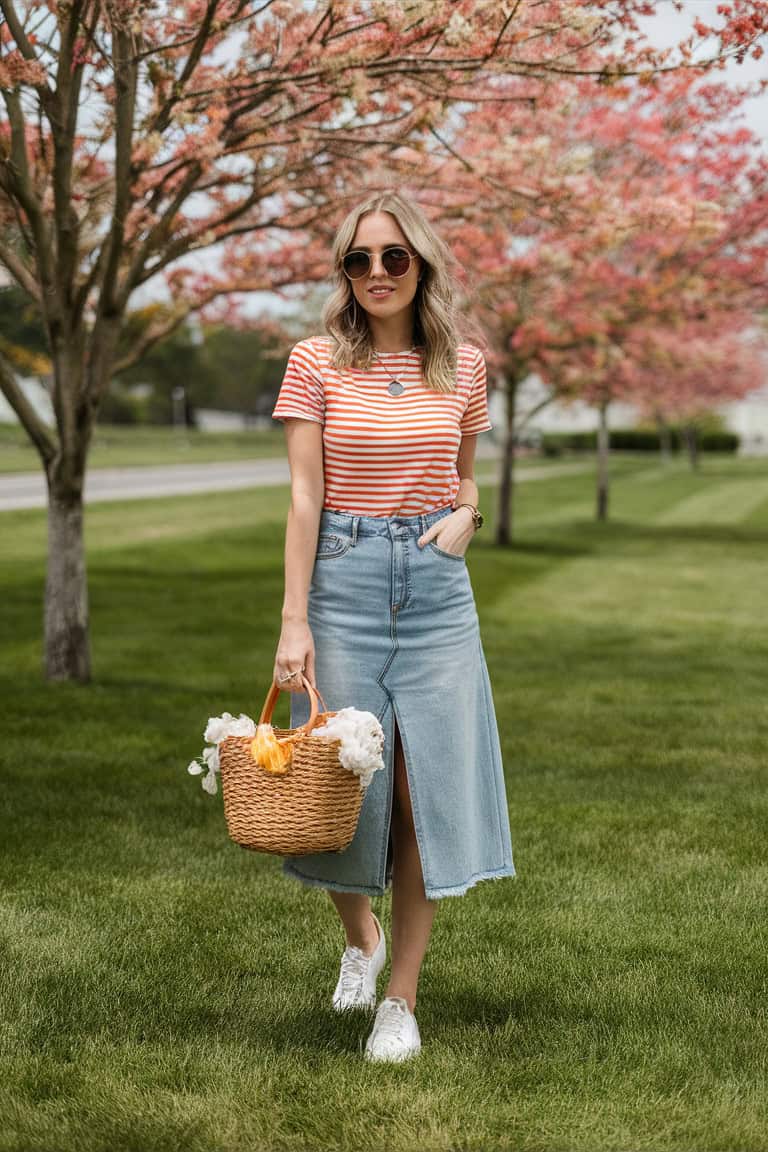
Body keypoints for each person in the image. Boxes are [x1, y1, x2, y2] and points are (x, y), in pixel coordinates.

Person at [271, 189, 515, 1063]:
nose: (376, 273)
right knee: (344, 791)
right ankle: (361, 939)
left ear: (422, 264)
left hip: (438, 592)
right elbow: (304, 494)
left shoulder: (465, 366)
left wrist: (469, 516)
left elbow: (466, 478)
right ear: (344, 271)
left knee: (419, 794)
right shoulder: (314, 361)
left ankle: (400, 1001)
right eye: (359, 259)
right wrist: (293, 621)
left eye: (393, 258)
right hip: (342, 582)